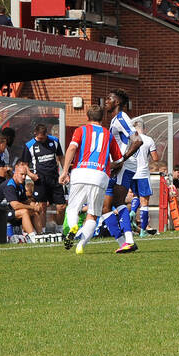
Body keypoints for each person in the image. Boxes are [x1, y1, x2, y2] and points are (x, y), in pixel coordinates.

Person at [59, 104, 132, 254]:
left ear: (87, 117)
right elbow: (118, 161)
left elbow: (72, 148)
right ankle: (81, 245)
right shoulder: (108, 134)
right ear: (102, 118)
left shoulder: (81, 130)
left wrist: (65, 171)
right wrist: (106, 165)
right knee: (93, 213)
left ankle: (73, 226)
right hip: (99, 175)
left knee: (73, 208)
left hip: (80, 171)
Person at [102, 89, 144, 242]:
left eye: (109, 98)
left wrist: (121, 160)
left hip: (125, 166)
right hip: (119, 166)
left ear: (117, 102)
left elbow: (137, 140)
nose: (106, 101)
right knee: (107, 205)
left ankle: (128, 241)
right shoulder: (114, 120)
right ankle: (123, 241)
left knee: (117, 202)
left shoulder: (121, 118)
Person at [21, 122, 64, 231]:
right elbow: (24, 165)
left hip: (54, 178)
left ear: (46, 135)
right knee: (42, 207)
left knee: (61, 206)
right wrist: (31, 175)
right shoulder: (29, 145)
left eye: (43, 138)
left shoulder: (54, 141)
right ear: (35, 134)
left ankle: (59, 230)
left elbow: (61, 157)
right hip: (40, 180)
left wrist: (65, 172)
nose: (41, 140)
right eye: (39, 138)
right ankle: (43, 232)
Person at [128, 128, 160, 235]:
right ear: (144, 128)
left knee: (135, 196)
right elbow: (155, 158)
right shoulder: (148, 139)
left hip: (131, 172)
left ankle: (132, 211)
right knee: (145, 202)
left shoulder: (129, 139)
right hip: (142, 173)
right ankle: (143, 230)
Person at [2, 161, 43, 241]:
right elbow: (15, 205)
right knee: (24, 212)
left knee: (34, 212)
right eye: (21, 174)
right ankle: (33, 238)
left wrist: (35, 205)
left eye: (25, 175)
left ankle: (40, 236)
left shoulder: (20, 185)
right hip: (0, 213)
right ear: (15, 173)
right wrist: (32, 207)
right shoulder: (10, 185)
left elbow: (25, 200)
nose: (24, 177)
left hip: (11, 212)